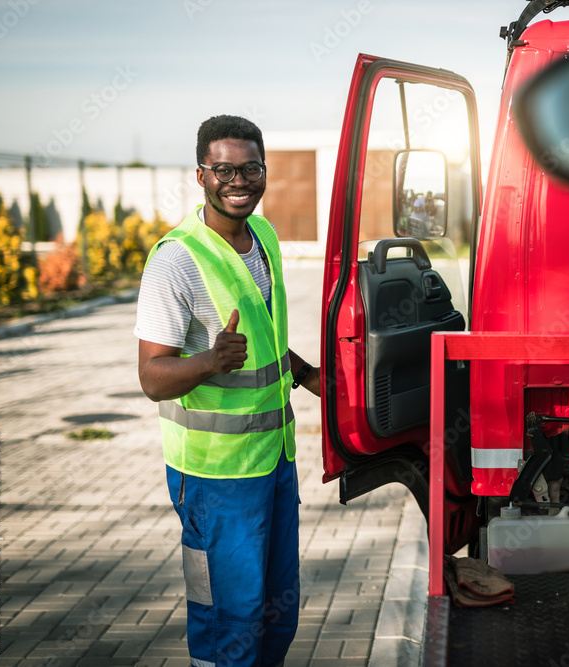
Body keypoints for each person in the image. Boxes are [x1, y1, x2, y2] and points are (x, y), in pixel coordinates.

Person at [134, 115, 319, 667]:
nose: (239, 181)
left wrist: (313, 379)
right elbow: (151, 377)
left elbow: (265, 343)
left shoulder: (263, 237)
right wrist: (209, 361)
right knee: (228, 624)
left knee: (276, 614)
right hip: (215, 480)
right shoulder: (176, 259)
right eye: (224, 170)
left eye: (250, 169)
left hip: (274, 463)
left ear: (264, 172)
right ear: (201, 175)